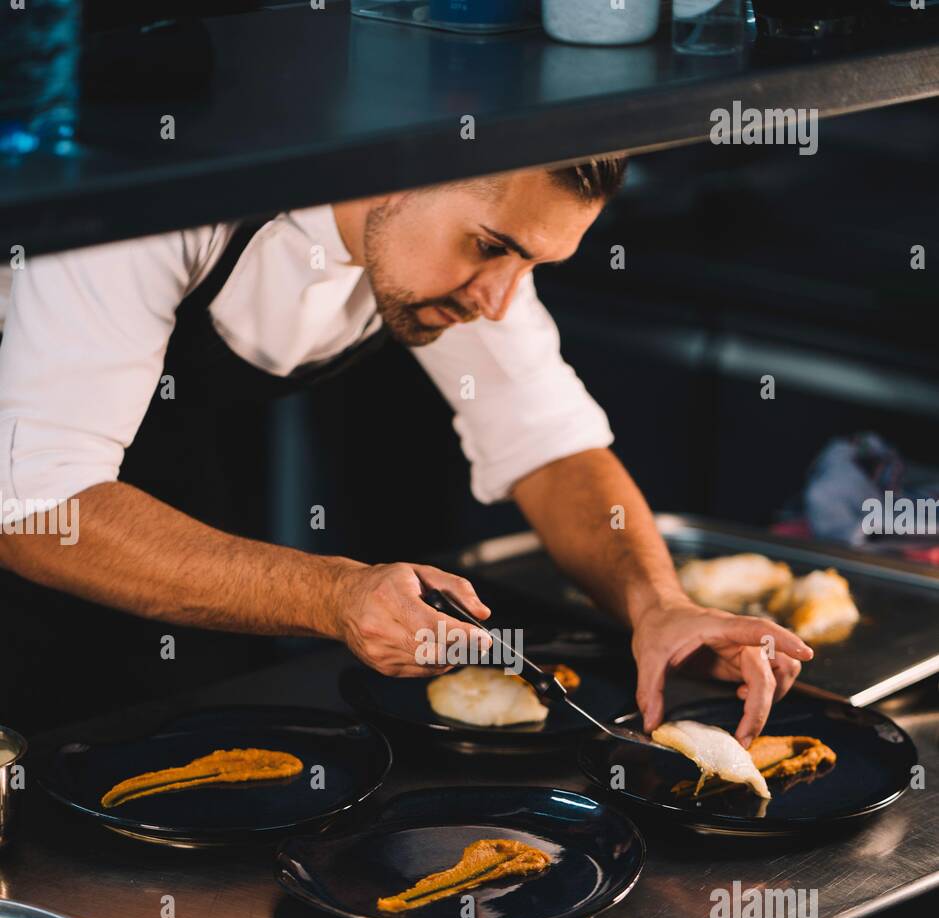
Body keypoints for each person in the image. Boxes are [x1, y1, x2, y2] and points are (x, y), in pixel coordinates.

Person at [0, 158, 810, 735]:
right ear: (396, 167)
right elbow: (34, 505)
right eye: (491, 246)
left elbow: (551, 446)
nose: (497, 300)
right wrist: (330, 595)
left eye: (530, 262)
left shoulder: (439, 250)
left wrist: (656, 605)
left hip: (172, 517)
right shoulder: (164, 200)